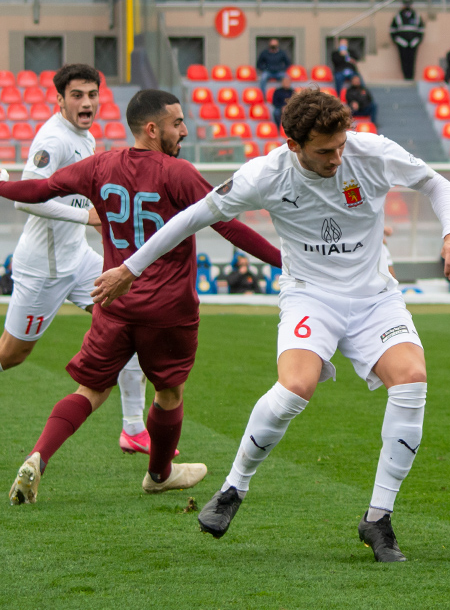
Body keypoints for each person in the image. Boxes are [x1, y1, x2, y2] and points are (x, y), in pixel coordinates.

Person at [92, 90, 450, 562]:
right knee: (295, 387)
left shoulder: (369, 151)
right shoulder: (266, 174)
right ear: (293, 144)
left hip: (375, 297)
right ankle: (233, 489)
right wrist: (130, 268)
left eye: (341, 145)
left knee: (412, 380)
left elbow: (438, 184)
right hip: (310, 296)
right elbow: (191, 218)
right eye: (325, 151)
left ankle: (378, 518)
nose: (338, 158)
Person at [4, 89, 281, 506]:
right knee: (169, 393)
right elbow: (228, 226)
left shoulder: (101, 164)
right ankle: (159, 474)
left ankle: (38, 456)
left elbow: (40, 190)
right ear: (152, 129)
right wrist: (285, 261)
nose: (184, 130)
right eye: (176, 123)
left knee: (89, 390)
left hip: (114, 302)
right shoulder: (179, 172)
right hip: (168, 309)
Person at [0, 63, 153, 456]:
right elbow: (25, 199)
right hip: (44, 268)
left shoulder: (85, 136)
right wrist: (85, 217)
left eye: (92, 95)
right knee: (12, 355)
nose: (87, 103)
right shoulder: (53, 140)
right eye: (77, 95)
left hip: (78, 258)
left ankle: (134, 430)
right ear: (60, 100)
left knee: (132, 323)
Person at [389, 0, 425, 81]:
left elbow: (421, 30)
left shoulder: (416, 16)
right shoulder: (398, 16)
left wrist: (416, 41)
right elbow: (392, 31)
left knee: (412, 60)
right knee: (403, 60)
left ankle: (411, 77)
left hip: (413, 43)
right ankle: (405, 77)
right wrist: (400, 41)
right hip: (402, 44)